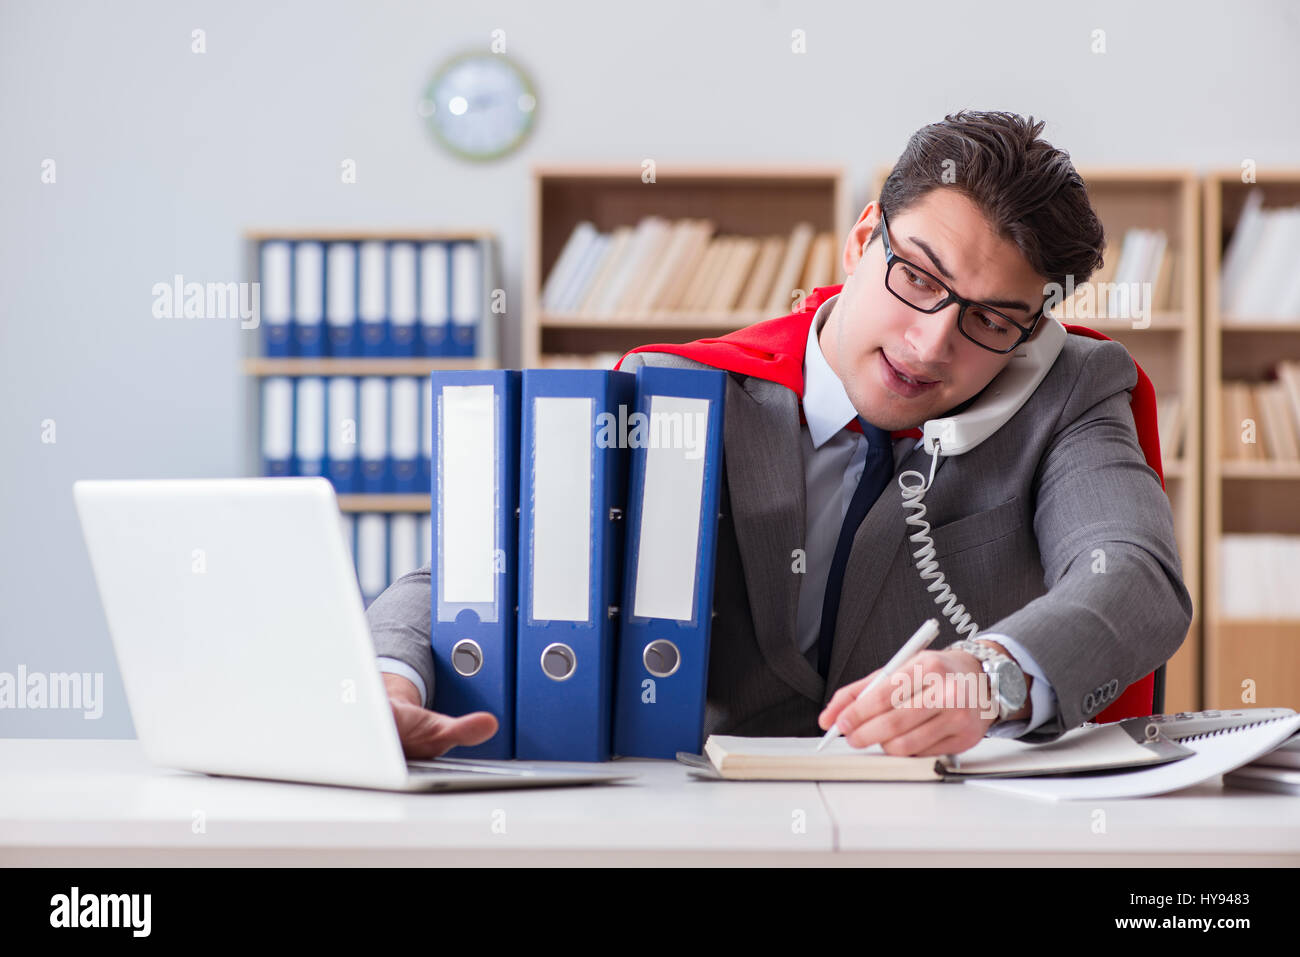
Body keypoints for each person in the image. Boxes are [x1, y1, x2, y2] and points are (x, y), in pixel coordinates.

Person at [368, 111, 1192, 760]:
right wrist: (391, 677)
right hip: (686, 810)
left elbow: (1132, 577)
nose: (931, 343)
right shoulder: (686, 391)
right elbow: (495, 559)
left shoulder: (1069, 394)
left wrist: (991, 675)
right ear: (864, 239)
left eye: (990, 318)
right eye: (919, 278)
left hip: (943, 822)